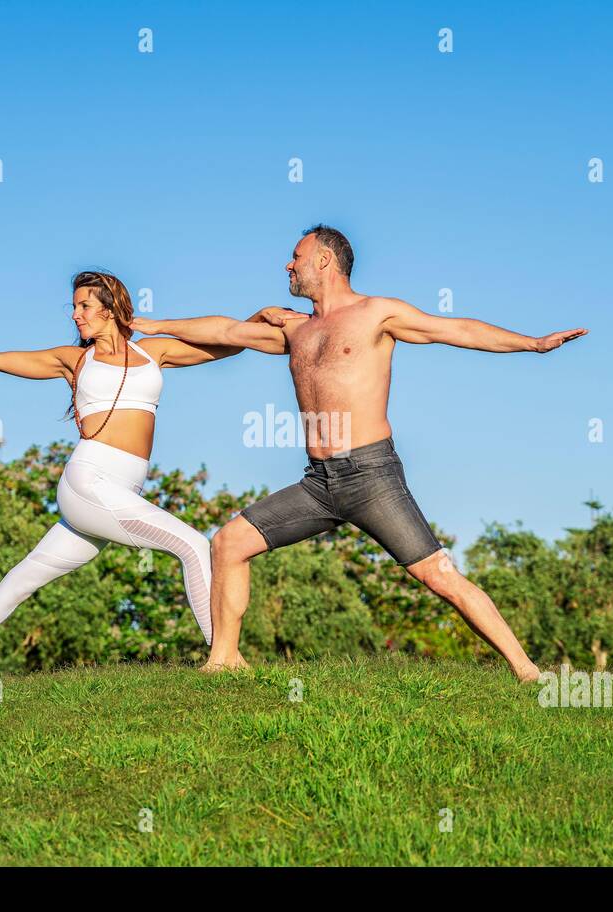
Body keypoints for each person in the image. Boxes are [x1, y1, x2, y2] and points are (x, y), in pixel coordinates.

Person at [133, 225, 588, 681]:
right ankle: (224, 660)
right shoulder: (296, 330)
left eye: (296, 256)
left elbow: (454, 329)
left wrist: (532, 343)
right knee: (228, 542)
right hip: (317, 484)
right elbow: (226, 330)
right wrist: (156, 325)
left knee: (438, 575)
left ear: (325, 260)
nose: (288, 265)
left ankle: (527, 670)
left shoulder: (377, 313)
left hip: (372, 477)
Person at [0, 271, 242, 687]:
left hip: (119, 492)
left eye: (84, 306)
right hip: (89, 482)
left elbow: (226, 344)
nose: (75, 315)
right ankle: (226, 661)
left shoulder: (152, 353)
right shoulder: (74, 360)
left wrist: (257, 325)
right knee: (194, 546)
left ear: (111, 307)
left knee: (19, 580)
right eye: (73, 307)